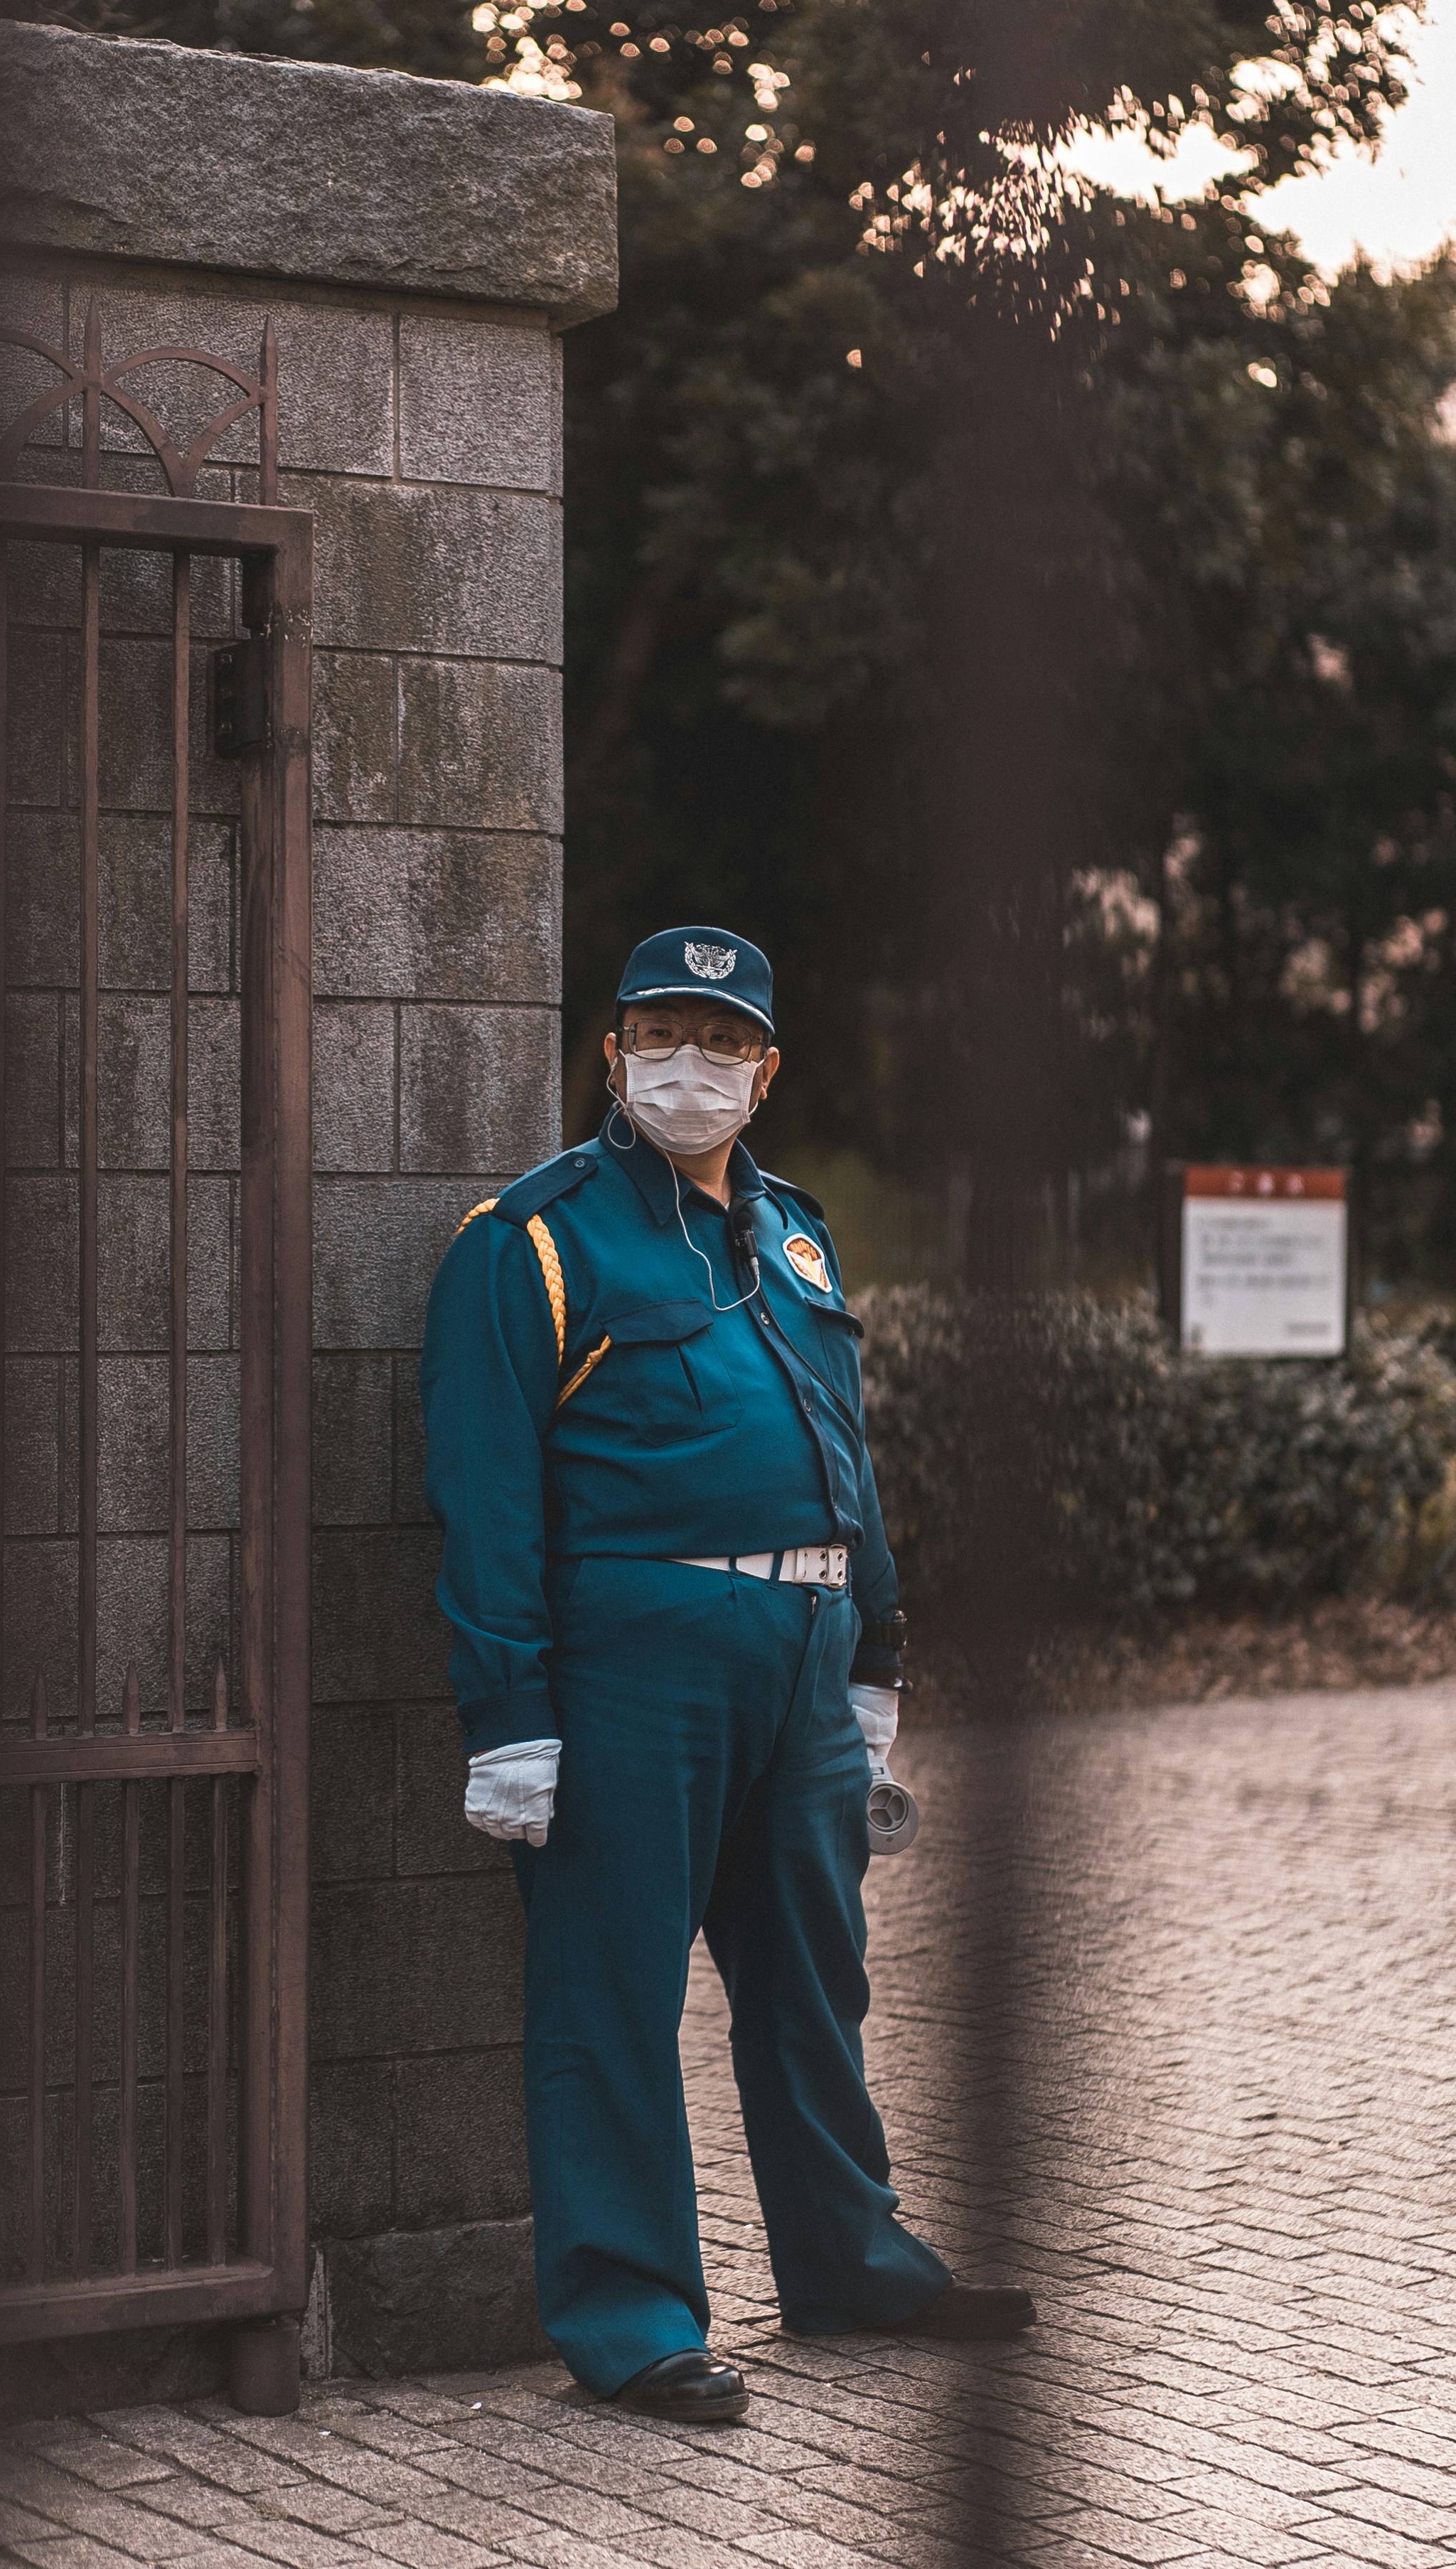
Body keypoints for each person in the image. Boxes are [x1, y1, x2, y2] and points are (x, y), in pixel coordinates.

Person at [419, 926, 1034, 2424]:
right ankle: (633, 2319)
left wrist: (875, 1657)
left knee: (815, 1983)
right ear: (613, 1048)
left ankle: (849, 2264)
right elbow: (486, 1495)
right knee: (612, 1993)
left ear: (765, 1068)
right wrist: (510, 1716)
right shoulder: (534, 1240)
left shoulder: (797, 1235)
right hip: (637, 1663)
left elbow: (846, 1455)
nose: (687, 1062)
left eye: (721, 1037)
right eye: (659, 1031)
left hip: (806, 1661)